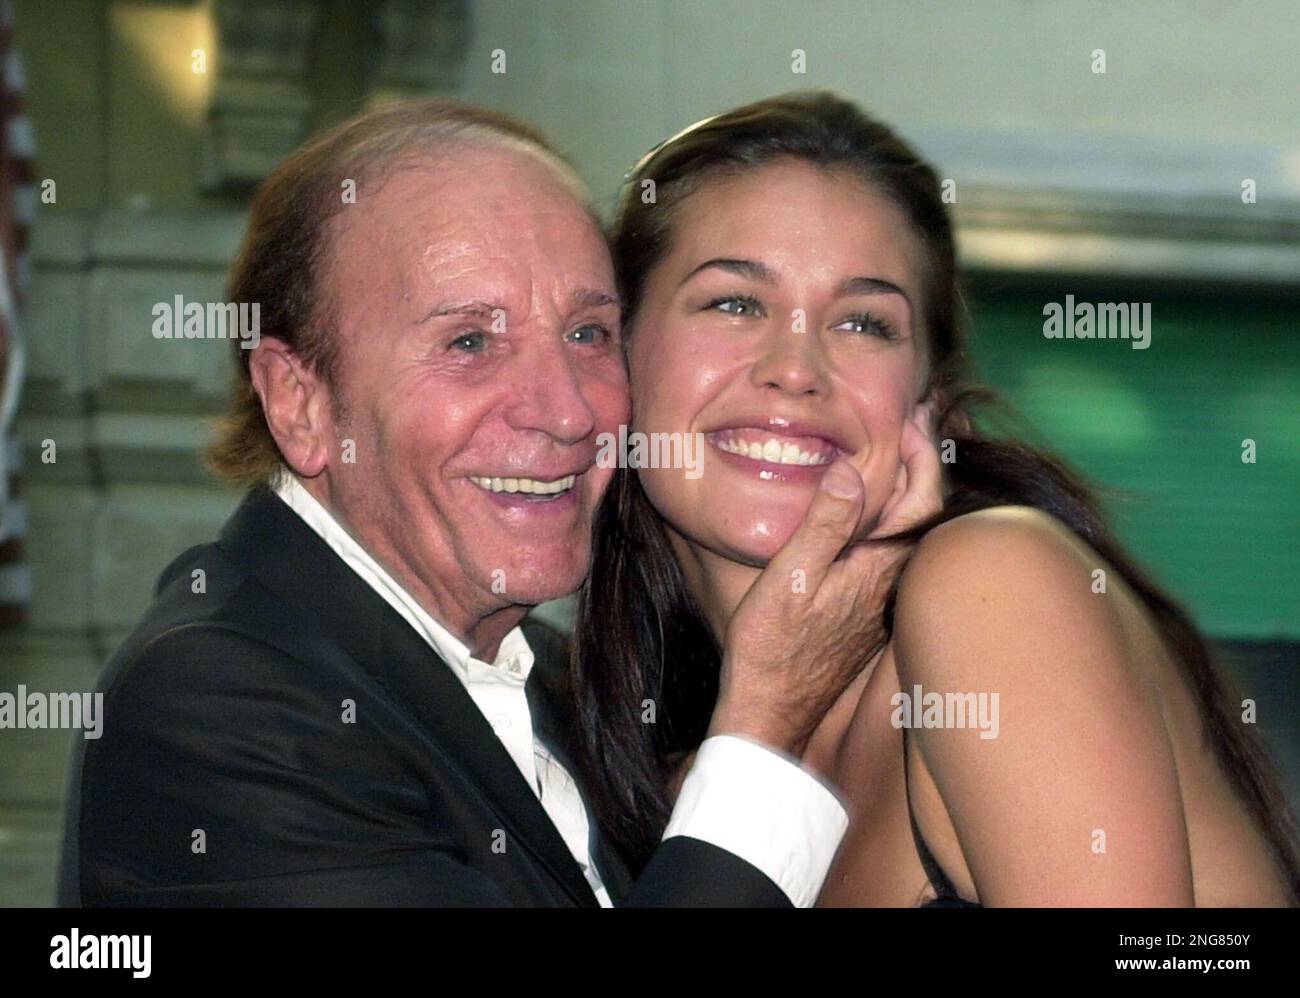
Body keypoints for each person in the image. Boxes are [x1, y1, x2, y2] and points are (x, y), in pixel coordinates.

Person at [57, 99, 941, 907]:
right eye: (471, 341)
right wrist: (764, 726)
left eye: (588, 334)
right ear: (301, 402)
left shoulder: (551, 680)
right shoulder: (219, 703)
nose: (565, 411)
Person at [571, 90, 1300, 907]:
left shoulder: (991, 586)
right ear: (616, 356)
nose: (796, 366)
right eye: (736, 303)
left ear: (932, 401)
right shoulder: (696, 808)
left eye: (864, 323)